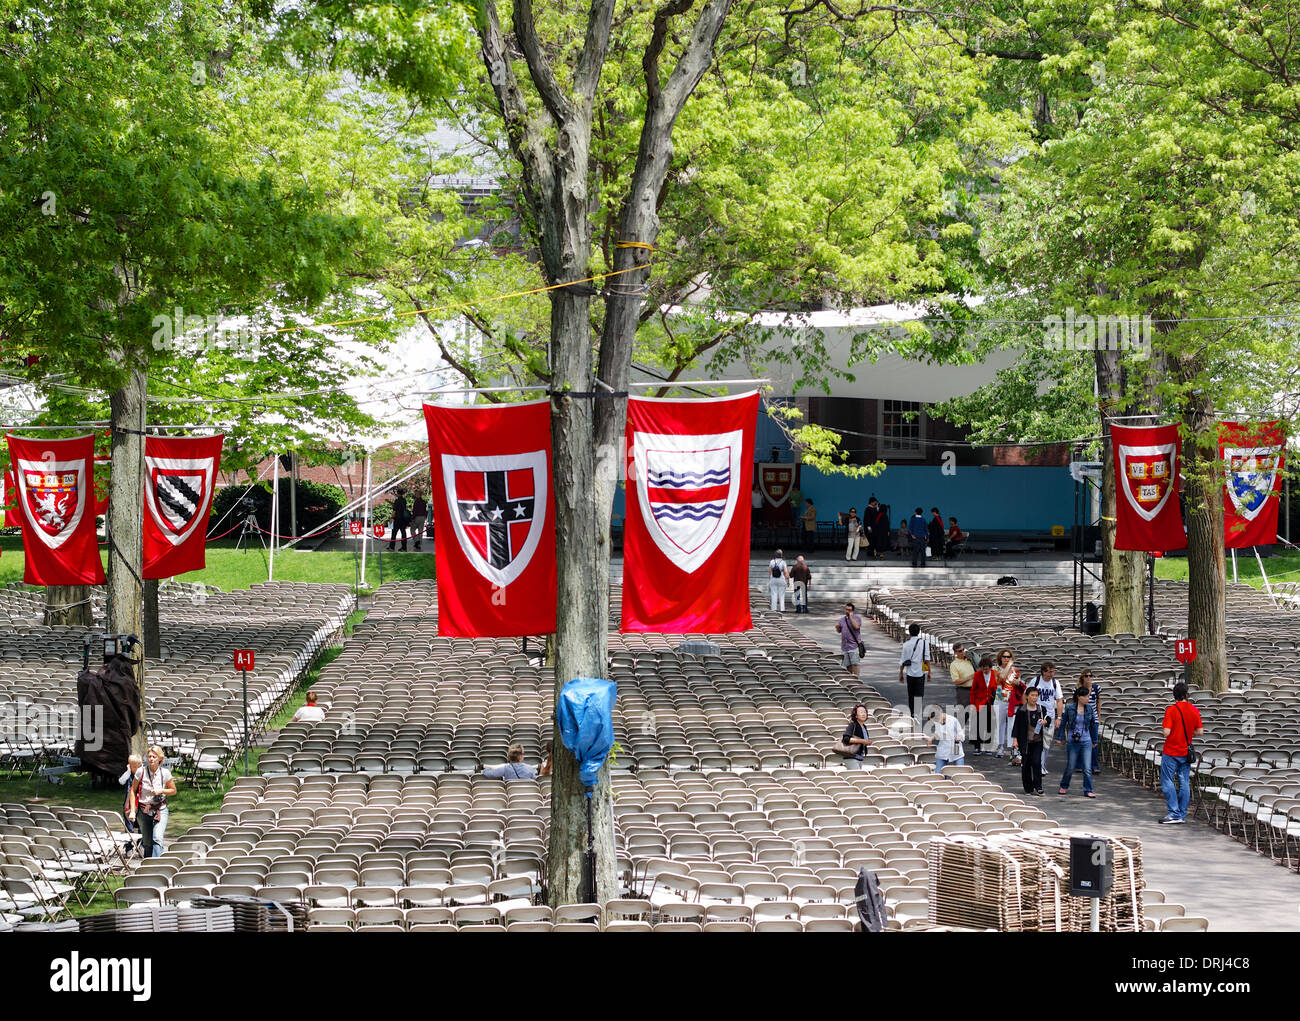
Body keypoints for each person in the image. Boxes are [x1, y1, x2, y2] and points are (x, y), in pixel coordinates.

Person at [1159, 682, 1203, 824]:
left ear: (1174, 695)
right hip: (1185, 751)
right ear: (1186, 694)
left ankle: (1174, 812)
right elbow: (1200, 732)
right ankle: (1182, 813)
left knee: (1167, 780)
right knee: (1184, 782)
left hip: (1171, 750)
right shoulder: (1194, 710)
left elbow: (1166, 732)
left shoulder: (1171, 710)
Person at [128, 746, 177, 858]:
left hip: (160, 809)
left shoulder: (165, 773)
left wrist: (161, 790)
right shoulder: (141, 771)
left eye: (154, 757)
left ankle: (157, 866)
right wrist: (132, 811)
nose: (151, 759)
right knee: (147, 843)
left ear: (159, 758)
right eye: (149, 756)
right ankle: (148, 868)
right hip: (143, 810)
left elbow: (173, 790)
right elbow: (132, 791)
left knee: (157, 838)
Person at [1058, 686, 1099, 797]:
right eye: (1085, 696)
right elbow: (1063, 723)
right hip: (1073, 740)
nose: (1087, 698)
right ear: (1079, 697)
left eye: (1088, 696)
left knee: (1087, 767)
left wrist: (1095, 739)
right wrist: (1060, 737)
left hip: (1086, 740)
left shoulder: (1089, 709)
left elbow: (1093, 725)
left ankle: (1088, 790)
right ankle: (1064, 785)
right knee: (1071, 766)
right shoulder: (1070, 708)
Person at [1025, 662, 1064, 774]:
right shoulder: (1035, 681)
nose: (1051, 674)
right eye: (1049, 671)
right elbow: (1026, 695)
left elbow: (1059, 700)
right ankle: (1035, 764)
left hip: (1049, 717)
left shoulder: (1055, 683)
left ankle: (1042, 765)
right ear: (1043, 671)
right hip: (1035, 715)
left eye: (1053, 671)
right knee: (1034, 740)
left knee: (1046, 742)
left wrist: (1059, 717)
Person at [1011, 687, 1047, 795]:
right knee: (1026, 764)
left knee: (1036, 762)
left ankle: (1038, 786)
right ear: (1027, 696)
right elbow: (1016, 726)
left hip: (1037, 741)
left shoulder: (1041, 709)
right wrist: (1015, 740)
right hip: (1025, 741)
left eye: (1036, 695)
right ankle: (1028, 787)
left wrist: (1045, 721)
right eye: (1032, 695)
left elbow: (1048, 718)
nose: (1034, 698)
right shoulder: (1021, 710)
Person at [991, 648, 1019, 758]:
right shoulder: (995, 669)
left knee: (1012, 724)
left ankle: (1014, 747)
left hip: (1012, 700)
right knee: (1000, 724)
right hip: (1000, 698)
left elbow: (1017, 682)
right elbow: (1001, 678)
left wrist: (1016, 682)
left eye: (1008, 657)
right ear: (1000, 658)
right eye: (1004, 657)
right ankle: (1000, 746)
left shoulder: (1015, 670)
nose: (1006, 659)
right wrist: (1008, 666)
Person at [898, 623, 930, 719]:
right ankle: (917, 712)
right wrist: (929, 672)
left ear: (910, 632)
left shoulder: (906, 644)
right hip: (921, 671)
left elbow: (903, 661)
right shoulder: (924, 643)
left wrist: (901, 673)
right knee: (919, 693)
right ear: (919, 632)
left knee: (911, 693)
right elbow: (927, 659)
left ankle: (912, 712)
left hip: (910, 672)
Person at [969, 654, 997, 755]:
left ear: (990, 667)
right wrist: (972, 704)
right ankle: (977, 747)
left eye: (987, 669)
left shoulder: (995, 674)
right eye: (983, 668)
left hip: (991, 702)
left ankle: (988, 746)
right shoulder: (977, 675)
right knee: (978, 725)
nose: (985, 671)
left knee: (990, 725)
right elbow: (973, 690)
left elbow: (996, 688)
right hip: (979, 702)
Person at [118, 754, 141, 856]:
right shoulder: (128, 775)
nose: (134, 769)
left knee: (142, 826)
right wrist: (128, 771)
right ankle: (129, 847)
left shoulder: (143, 774)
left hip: (141, 804)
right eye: (132, 767)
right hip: (128, 805)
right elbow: (121, 781)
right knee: (129, 827)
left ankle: (141, 846)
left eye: (136, 766)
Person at [929, 706, 966, 772]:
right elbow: (938, 733)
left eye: (936, 720)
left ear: (940, 714)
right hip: (943, 750)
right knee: (938, 774)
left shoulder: (953, 720)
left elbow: (961, 733)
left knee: (960, 773)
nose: (936, 722)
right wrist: (932, 738)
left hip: (955, 749)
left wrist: (959, 737)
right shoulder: (937, 722)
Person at [1080, 670, 1102, 773]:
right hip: (1082, 717)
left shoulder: (1096, 688)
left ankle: (1094, 765)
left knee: (1094, 742)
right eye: (1086, 676)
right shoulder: (1078, 689)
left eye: (1090, 676)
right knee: (1080, 741)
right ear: (1083, 677)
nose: (1089, 678)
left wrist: (1099, 716)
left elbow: (1098, 702)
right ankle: (1080, 764)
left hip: (1094, 718)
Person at [840, 703, 872, 769]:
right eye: (860, 712)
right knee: (857, 777)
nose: (863, 714)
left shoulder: (864, 727)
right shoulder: (852, 725)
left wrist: (867, 742)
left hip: (860, 757)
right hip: (851, 757)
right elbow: (846, 739)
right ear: (856, 715)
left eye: (864, 712)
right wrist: (863, 741)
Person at [836, 602, 864, 677]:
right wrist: (838, 628)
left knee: (855, 664)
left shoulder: (857, 618)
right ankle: (850, 679)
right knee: (848, 664)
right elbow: (839, 631)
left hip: (853, 645)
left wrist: (851, 618)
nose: (847, 611)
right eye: (846, 609)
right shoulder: (842, 619)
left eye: (849, 610)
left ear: (852, 611)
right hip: (845, 646)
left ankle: (856, 679)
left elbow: (856, 627)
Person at [949, 643, 974, 710]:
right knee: (963, 715)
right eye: (960, 651)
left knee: (977, 715)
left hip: (975, 690)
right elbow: (956, 681)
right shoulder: (954, 664)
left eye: (963, 649)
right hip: (963, 691)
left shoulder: (970, 660)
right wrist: (970, 677)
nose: (963, 652)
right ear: (955, 652)